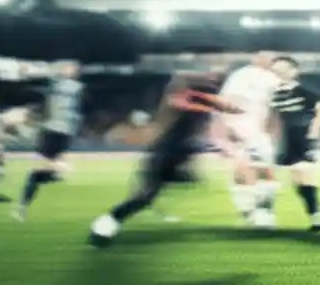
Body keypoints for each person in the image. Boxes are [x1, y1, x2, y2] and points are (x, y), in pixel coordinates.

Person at [90, 70, 240, 247]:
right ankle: (104, 225)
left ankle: (116, 221)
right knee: (144, 197)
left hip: (176, 157)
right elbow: (203, 103)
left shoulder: (197, 102)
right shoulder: (179, 100)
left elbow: (222, 108)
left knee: (177, 184)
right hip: (163, 155)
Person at [217, 52, 281, 227]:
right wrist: (228, 127)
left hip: (260, 132)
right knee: (244, 169)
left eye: (273, 59)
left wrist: (273, 130)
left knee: (261, 169)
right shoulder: (242, 75)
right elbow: (226, 101)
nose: (270, 61)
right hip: (242, 127)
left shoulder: (274, 79)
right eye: (267, 57)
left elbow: (275, 109)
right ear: (256, 58)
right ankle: (251, 212)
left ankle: (261, 211)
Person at [14, 60, 83, 221]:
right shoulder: (55, 82)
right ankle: (22, 207)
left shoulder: (75, 87)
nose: (70, 69)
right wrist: (28, 71)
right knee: (40, 171)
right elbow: (41, 74)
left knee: (51, 173)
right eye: (68, 67)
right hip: (51, 130)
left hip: (65, 132)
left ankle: (55, 171)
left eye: (73, 68)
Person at [268, 56, 320, 231]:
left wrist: (315, 129)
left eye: (283, 69)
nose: (279, 72)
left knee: (303, 175)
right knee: (269, 179)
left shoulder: (301, 90)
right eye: (275, 70)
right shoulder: (272, 92)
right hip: (281, 139)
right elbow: (271, 116)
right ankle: (265, 218)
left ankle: (316, 218)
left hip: (300, 138)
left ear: (294, 71)